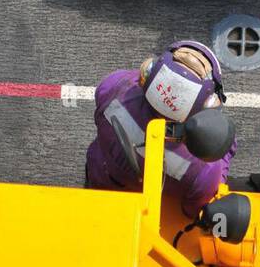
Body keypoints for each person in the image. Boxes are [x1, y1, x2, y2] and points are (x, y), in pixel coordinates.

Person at [85, 41, 234, 218]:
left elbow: (118, 86)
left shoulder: (115, 87)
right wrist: (224, 144)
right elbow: (193, 208)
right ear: (208, 105)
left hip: (102, 177)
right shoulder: (205, 168)